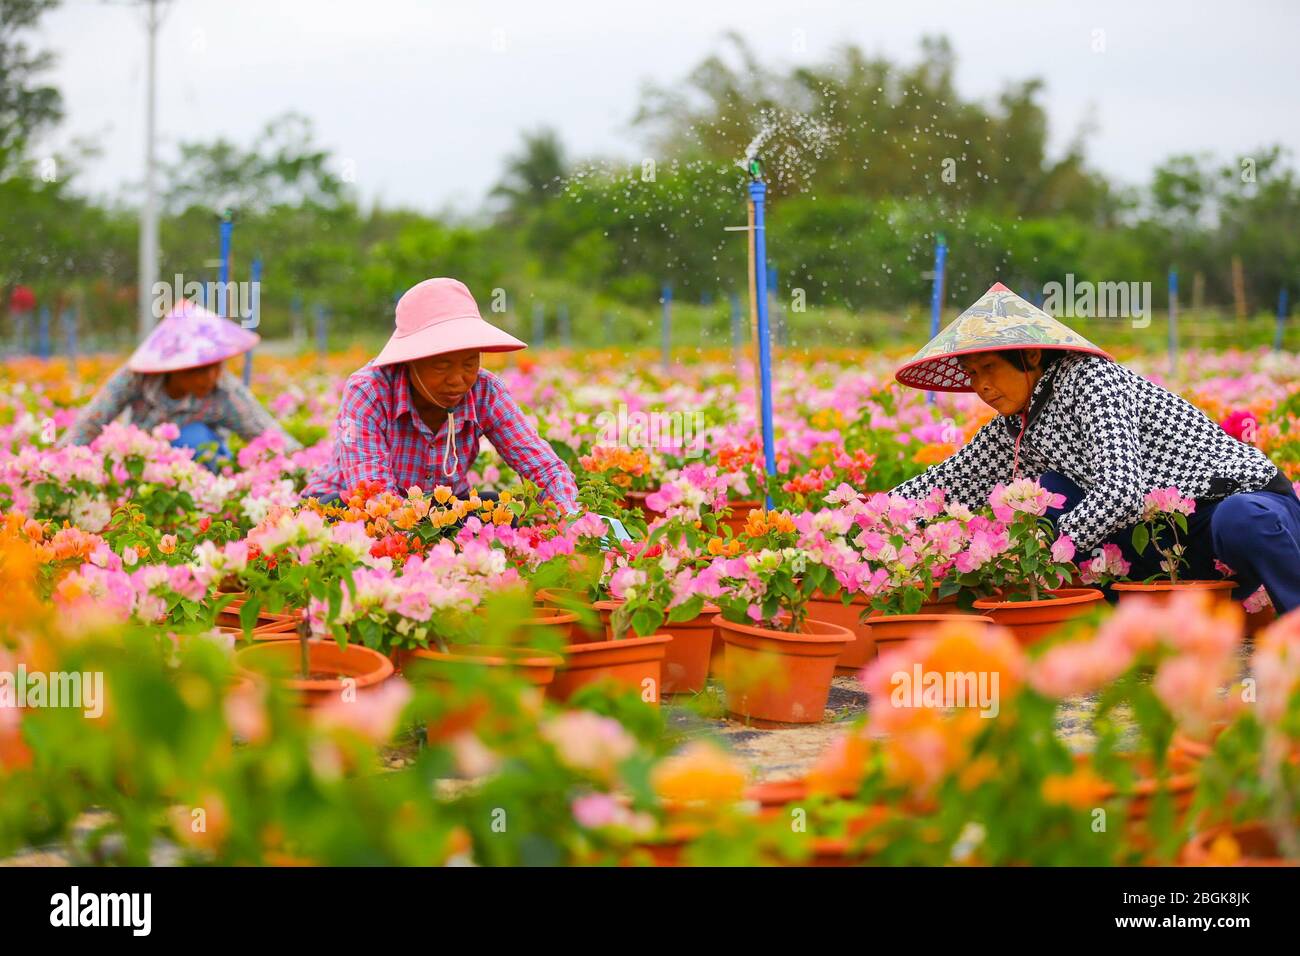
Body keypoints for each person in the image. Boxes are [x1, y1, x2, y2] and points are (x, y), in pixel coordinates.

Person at [889, 282, 1300, 613]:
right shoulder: (1016, 424)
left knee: (1242, 517)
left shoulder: (1090, 380)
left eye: (990, 368)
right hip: (1163, 538)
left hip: (1224, 514)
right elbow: (950, 481)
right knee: (1047, 493)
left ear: (1030, 354)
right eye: (974, 374)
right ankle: (1110, 628)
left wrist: (1036, 557)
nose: (981, 386)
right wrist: (865, 514)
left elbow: (1121, 495)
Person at [303, 277, 580, 513]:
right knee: (336, 513)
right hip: (351, 505)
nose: (458, 380)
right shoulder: (369, 391)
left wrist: (570, 521)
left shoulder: (486, 390)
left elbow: (545, 469)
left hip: (441, 510)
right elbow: (373, 496)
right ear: (411, 359)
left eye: (470, 364)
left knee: (497, 509)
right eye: (442, 365)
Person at [61, 301, 299, 461]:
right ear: (174, 366)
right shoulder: (137, 377)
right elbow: (92, 420)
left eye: (216, 368)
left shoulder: (225, 390)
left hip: (202, 468)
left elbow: (266, 433)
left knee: (193, 437)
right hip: (141, 461)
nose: (210, 378)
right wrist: (59, 462)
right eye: (199, 370)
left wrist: (304, 466)